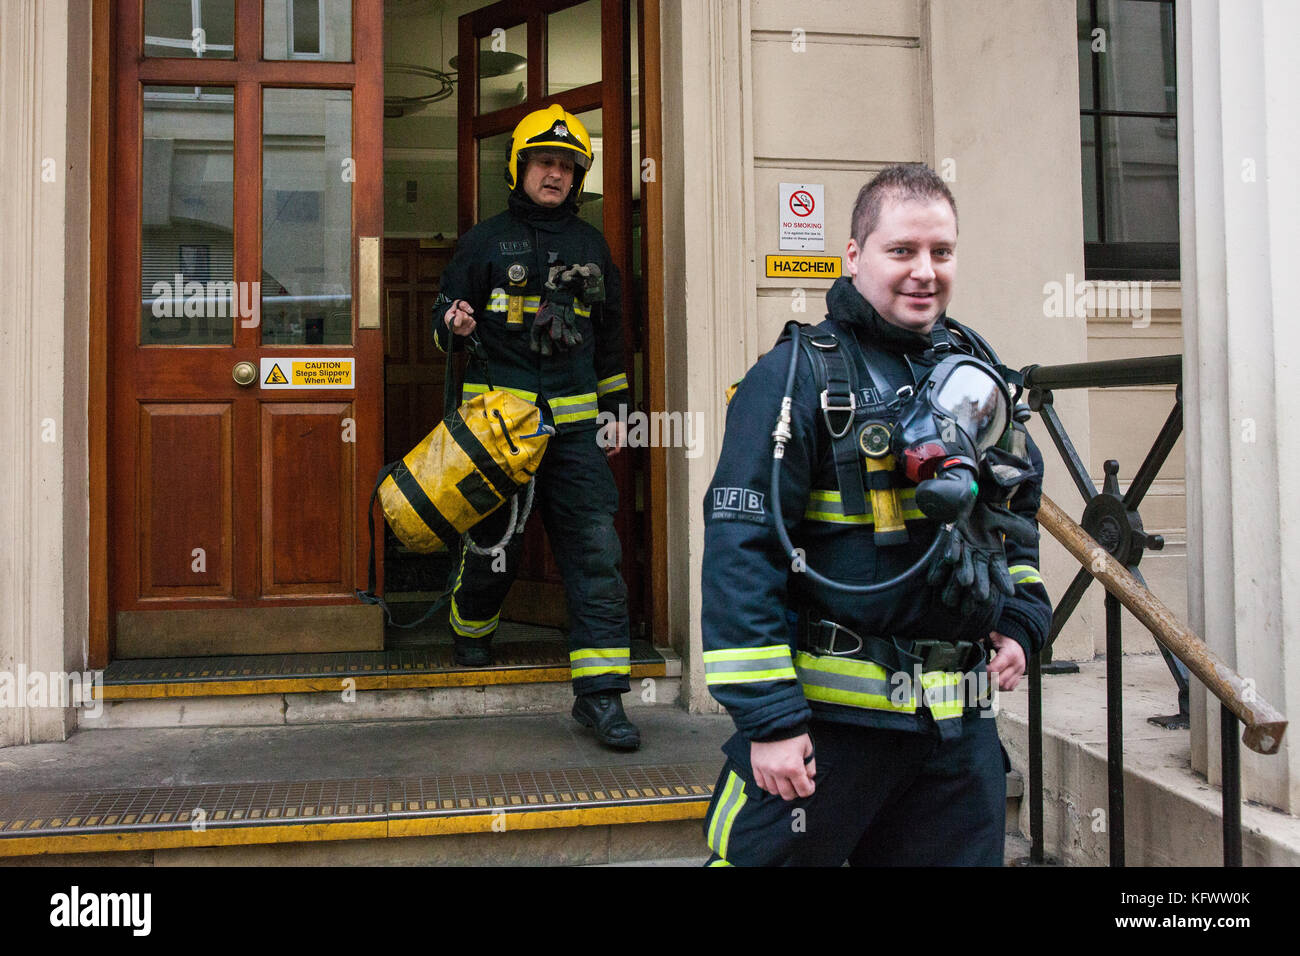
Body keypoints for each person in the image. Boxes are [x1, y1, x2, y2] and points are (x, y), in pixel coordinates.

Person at [699, 164, 1051, 865]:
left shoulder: (976, 374)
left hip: (957, 733)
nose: (925, 272)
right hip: (827, 734)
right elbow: (741, 553)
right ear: (855, 256)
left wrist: (1020, 617)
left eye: (941, 253)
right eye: (902, 252)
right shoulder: (794, 378)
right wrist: (767, 718)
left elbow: (1013, 511)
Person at [433, 104, 639, 751]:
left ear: (578, 177)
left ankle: (602, 697)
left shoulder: (591, 246)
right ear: (519, 168)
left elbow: (611, 339)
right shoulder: (483, 241)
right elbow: (444, 312)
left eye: (567, 166)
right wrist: (454, 323)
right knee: (494, 543)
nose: (555, 174)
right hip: (497, 430)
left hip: (575, 436)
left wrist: (619, 414)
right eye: (545, 162)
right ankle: (472, 634)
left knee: (595, 554)